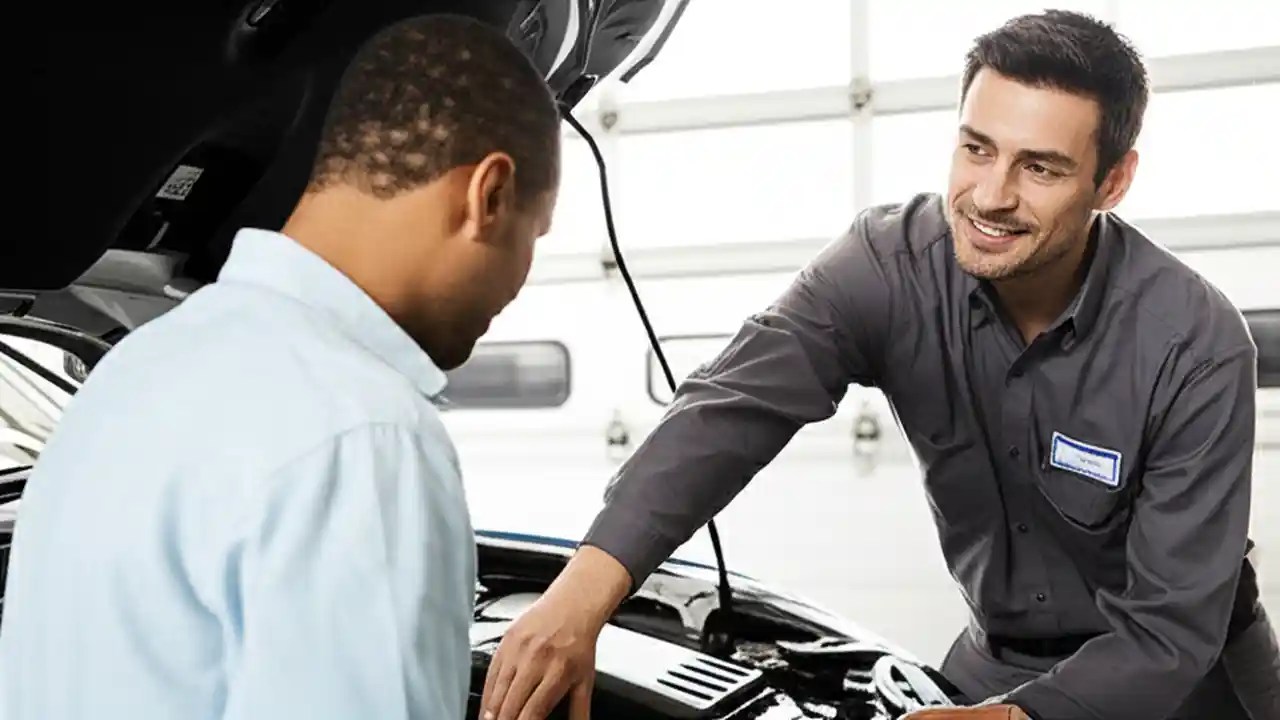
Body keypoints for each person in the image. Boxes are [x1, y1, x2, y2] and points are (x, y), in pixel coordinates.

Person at [479, 10, 1279, 720]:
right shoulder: (887, 266)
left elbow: (1170, 627)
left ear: (1113, 181)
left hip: (1183, 684)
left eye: (1039, 168)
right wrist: (577, 602)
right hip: (994, 659)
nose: (989, 196)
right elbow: (729, 410)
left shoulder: (1194, 343)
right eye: (976, 149)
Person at [0, 14, 560, 720]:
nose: (519, 284)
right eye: (533, 236)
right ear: (489, 196)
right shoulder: (365, 433)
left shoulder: (131, 373)